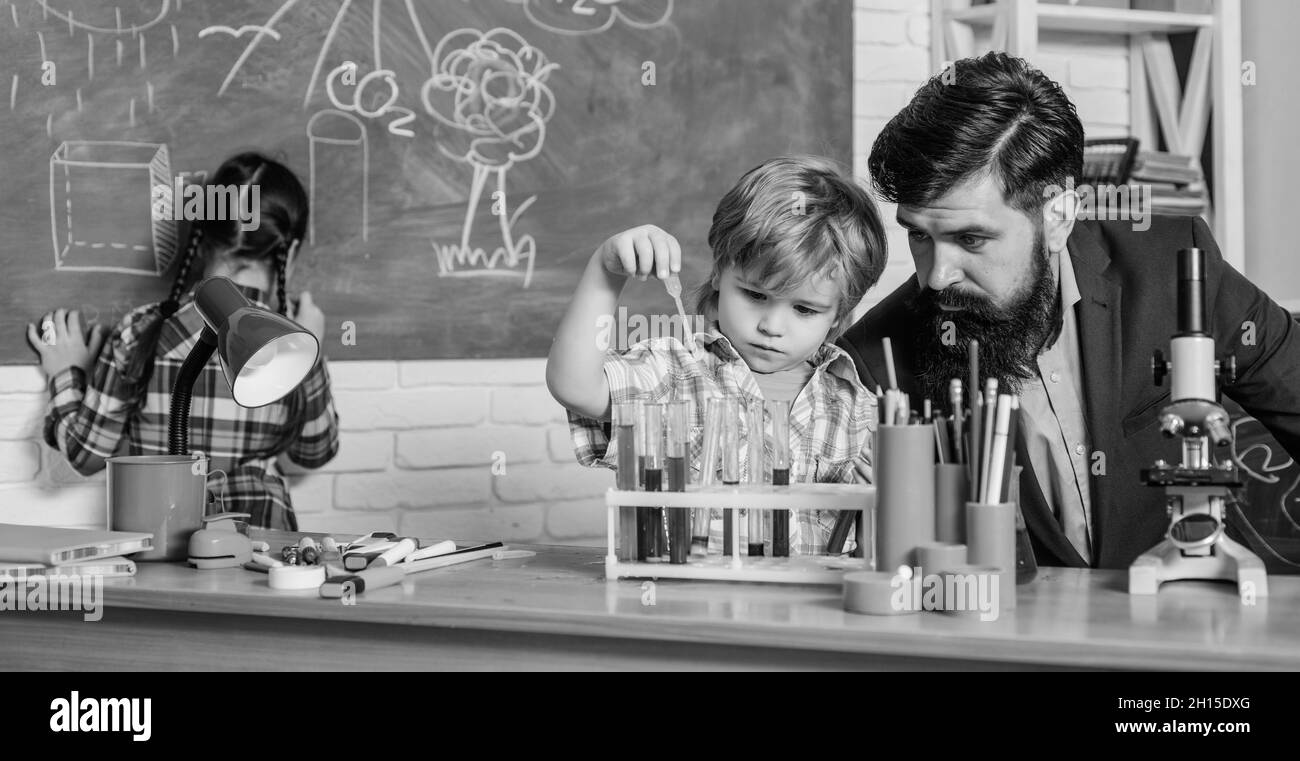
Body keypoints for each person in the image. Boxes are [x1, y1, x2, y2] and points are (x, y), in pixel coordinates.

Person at [839, 52, 1300, 569]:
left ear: (1059, 215)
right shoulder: (876, 361)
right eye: (920, 236)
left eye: (971, 238)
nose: (936, 276)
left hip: (1194, 627)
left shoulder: (1176, 269)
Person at [547, 155, 888, 553]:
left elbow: (874, 553)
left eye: (804, 309)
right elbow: (574, 386)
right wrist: (606, 271)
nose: (772, 326)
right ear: (718, 273)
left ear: (838, 314)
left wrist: (884, 504)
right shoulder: (676, 372)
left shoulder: (858, 412)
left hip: (810, 614)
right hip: (683, 609)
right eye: (755, 295)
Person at [29, 152, 339, 530]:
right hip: (265, 563)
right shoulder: (292, 341)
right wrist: (313, 352)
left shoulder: (140, 330)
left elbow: (86, 454)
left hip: (161, 550)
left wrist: (66, 373)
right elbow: (313, 453)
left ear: (204, 239)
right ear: (288, 253)